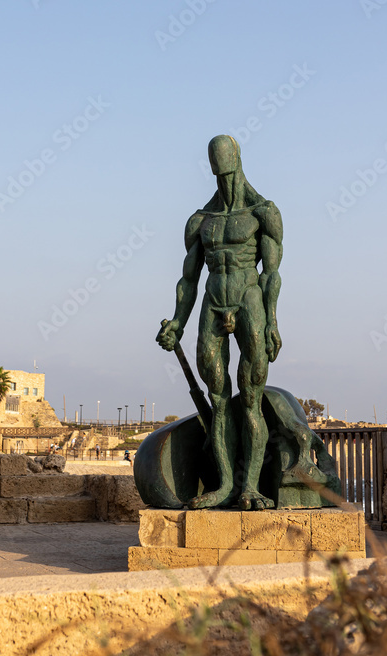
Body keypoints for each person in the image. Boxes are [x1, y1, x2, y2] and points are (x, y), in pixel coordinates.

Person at [157, 134, 283, 511]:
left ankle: (251, 487)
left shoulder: (263, 212)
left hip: (249, 303)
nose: (222, 172)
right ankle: (226, 485)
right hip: (212, 304)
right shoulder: (200, 221)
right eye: (216, 164)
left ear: (237, 160)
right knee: (217, 399)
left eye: (226, 163)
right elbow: (188, 279)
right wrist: (177, 322)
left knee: (250, 399)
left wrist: (273, 321)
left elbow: (271, 274)